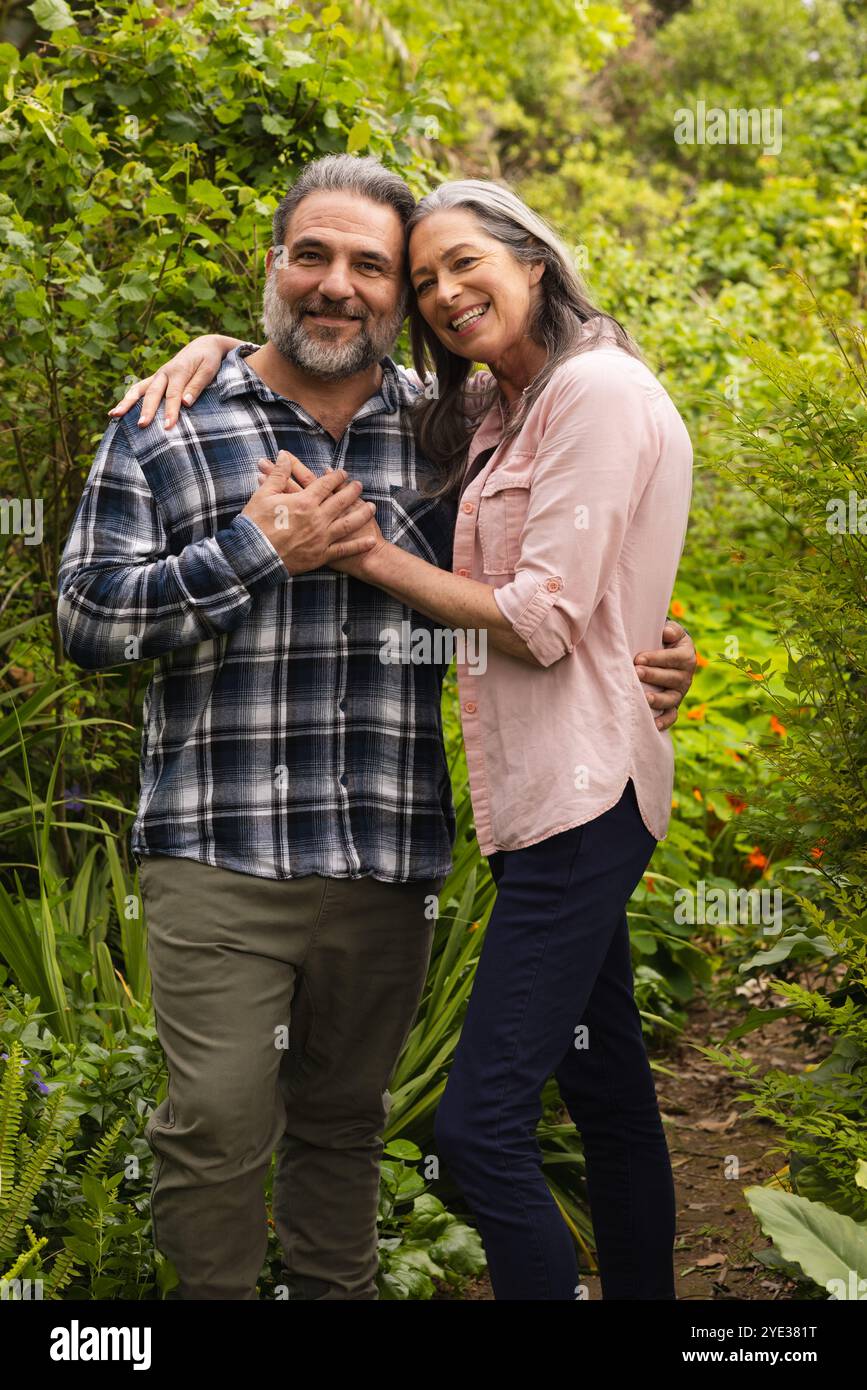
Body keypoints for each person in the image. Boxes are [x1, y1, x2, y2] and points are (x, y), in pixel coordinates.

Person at [68, 154, 695, 1301]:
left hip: (386, 856)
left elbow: (557, 561)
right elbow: (87, 618)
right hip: (222, 851)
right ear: (273, 266)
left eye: (375, 267)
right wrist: (260, 544)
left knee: (346, 1131)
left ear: (400, 303)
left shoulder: (446, 423)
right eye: (314, 255)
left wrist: (654, 645)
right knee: (214, 1131)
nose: (340, 285)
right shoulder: (171, 416)